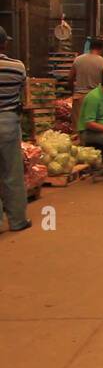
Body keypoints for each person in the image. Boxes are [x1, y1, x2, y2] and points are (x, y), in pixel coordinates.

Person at [0, 27, 31, 231]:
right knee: (12, 173)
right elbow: (24, 96)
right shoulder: (17, 67)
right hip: (8, 122)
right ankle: (18, 220)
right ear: (4, 44)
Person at [68, 37, 103, 130]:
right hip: (96, 99)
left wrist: (73, 91)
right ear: (102, 48)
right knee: (95, 128)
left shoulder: (78, 60)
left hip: (79, 97)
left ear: (90, 47)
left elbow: (70, 78)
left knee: (78, 128)